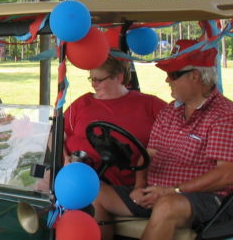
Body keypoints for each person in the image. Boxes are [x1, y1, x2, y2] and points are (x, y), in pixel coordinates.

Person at [91, 39, 233, 240]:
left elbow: (226, 174)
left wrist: (174, 190)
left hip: (209, 200)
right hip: (162, 190)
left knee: (166, 207)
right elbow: (148, 155)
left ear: (196, 76)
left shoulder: (226, 115)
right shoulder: (171, 111)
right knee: (95, 192)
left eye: (174, 75)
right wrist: (140, 186)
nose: (167, 80)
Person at [64, 54, 166, 186]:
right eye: (91, 79)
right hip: (76, 175)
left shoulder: (150, 104)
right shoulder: (83, 103)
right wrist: (65, 159)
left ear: (119, 77)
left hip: (125, 183)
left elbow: (177, 130)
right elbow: (56, 134)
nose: (93, 85)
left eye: (99, 80)